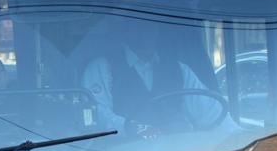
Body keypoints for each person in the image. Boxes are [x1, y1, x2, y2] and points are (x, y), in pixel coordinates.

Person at [80, 20, 225, 135]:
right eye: (138, 24)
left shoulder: (178, 69)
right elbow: (99, 116)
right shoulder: (102, 68)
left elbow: (210, 112)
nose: (145, 31)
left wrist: (235, 136)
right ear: (126, 28)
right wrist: (136, 129)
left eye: (150, 25)